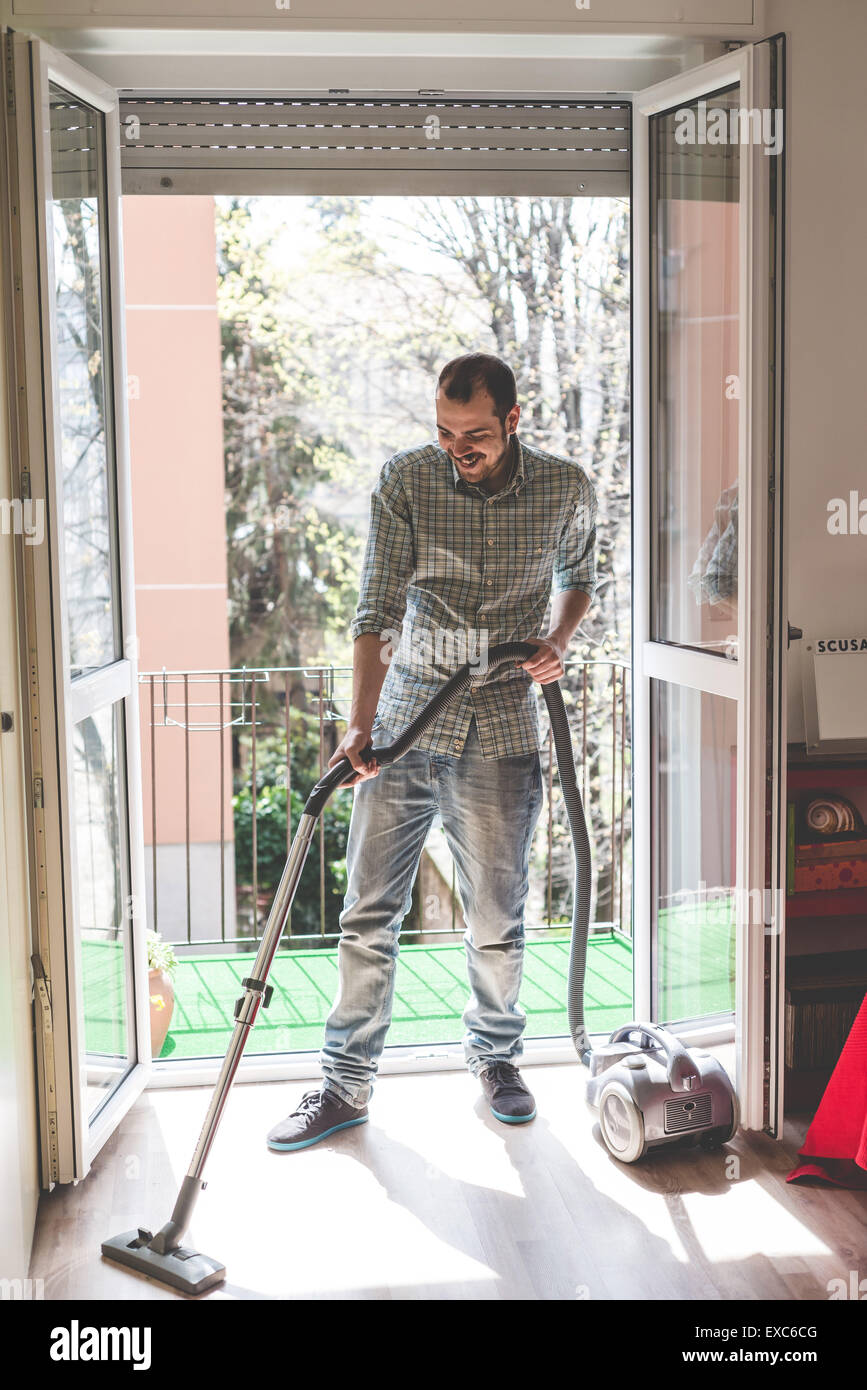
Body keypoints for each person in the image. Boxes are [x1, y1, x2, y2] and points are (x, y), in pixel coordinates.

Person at [266, 352, 597, 1151]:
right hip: (408, 723)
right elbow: (375, 607)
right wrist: (360, 726)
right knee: (367, 915)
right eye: (445, 431)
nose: (459, 447)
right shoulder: (406, 480)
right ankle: (343, 1086)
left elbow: (579, 574)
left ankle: (496, 1060)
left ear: (513, 421)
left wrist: (554, 639)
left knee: (495, 919)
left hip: (504, 728)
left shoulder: (564, 487)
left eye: (475, 433)